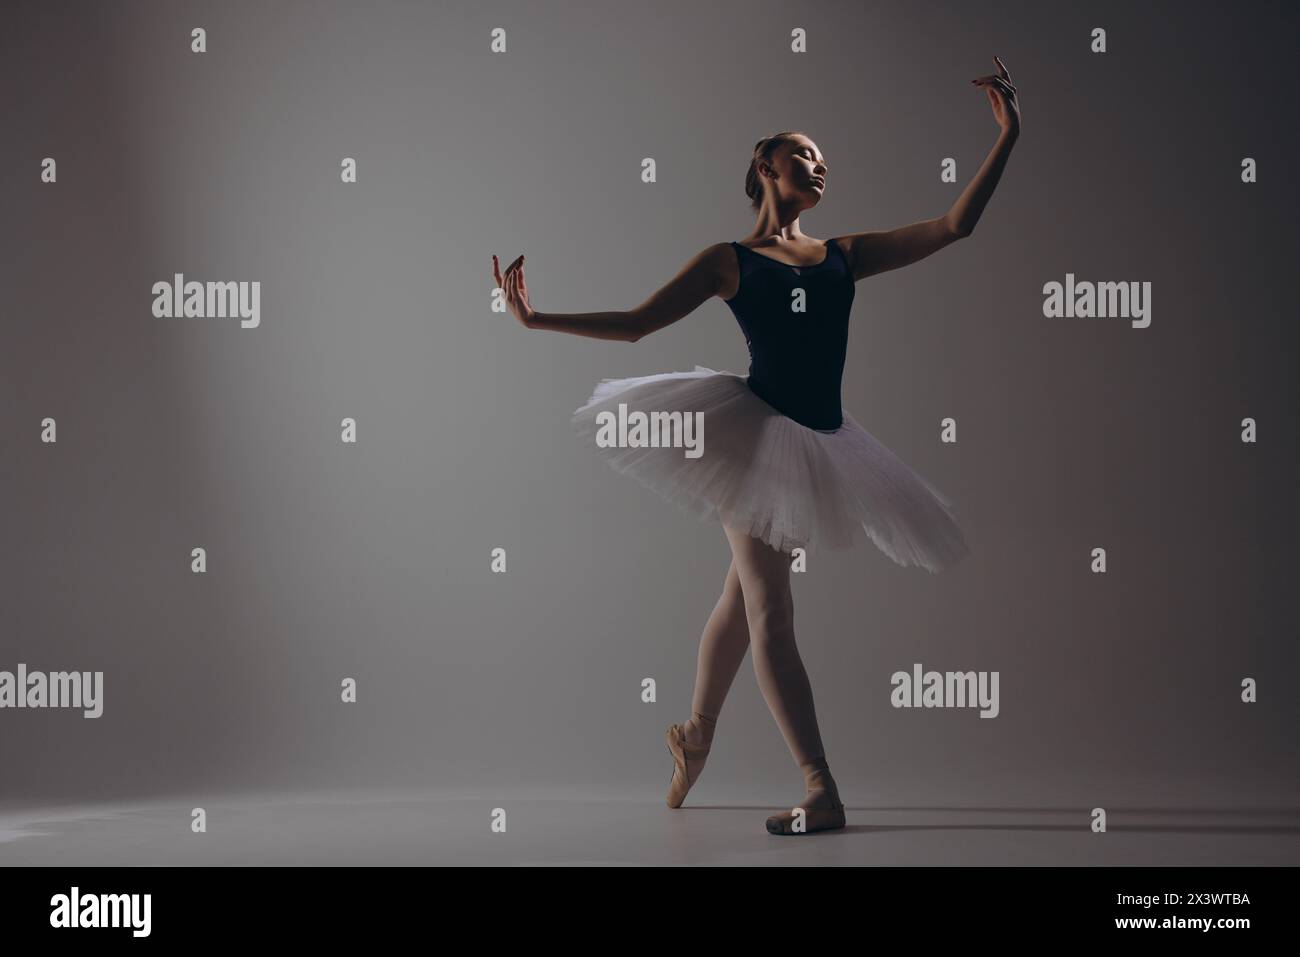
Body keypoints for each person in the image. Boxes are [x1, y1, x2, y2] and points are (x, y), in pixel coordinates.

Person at [492, 57, 1020, 835]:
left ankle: (695, 736)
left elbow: (953, 226)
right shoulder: (728, 262)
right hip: (753, 434)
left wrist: (1009, 136)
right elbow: (639, 322)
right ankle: (821, 787)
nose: (821, 166)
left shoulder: (844, 255)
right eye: (805, 154)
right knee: (771, 605)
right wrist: (539, 321)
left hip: (825, 437)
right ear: (765, 165)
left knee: (741, 598)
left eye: (826, 162)